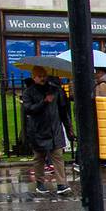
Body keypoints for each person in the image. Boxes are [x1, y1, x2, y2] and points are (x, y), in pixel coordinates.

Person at [21, 67, 72, 195]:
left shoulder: (55, 90)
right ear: (34, 77)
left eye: (44, 75)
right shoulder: (29, 92)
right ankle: (40, 183)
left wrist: (68, 127)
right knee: (39, 157)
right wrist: (44, 102)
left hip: (54, 129)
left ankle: (61, 184)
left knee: (58, 156)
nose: (43, 78)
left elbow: (63, 111)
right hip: (38, 130)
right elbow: (29, 109)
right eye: (39, 76)